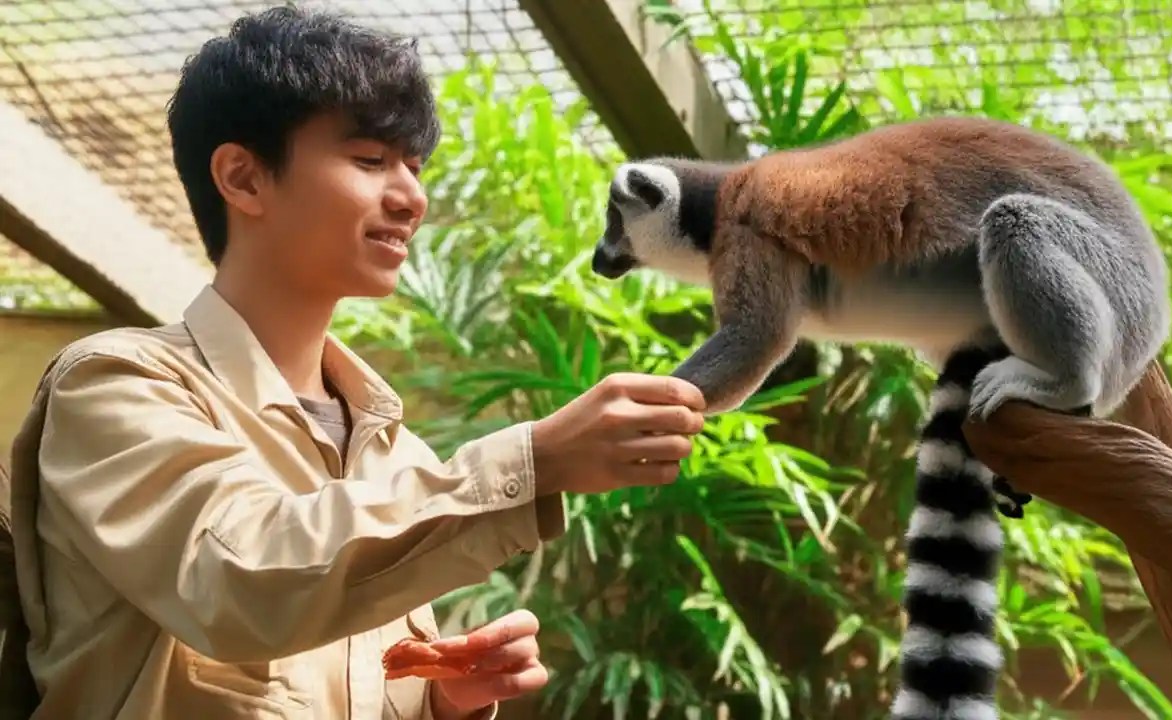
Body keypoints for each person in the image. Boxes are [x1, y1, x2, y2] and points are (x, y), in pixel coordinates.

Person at [4, 5, 706, 719]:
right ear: (243, 178)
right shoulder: (115, 385)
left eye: (414, 165)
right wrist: (535, 462)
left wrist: (443, 701)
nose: (412, 197)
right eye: (370, 161)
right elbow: (236, 579)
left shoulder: (398, 460)